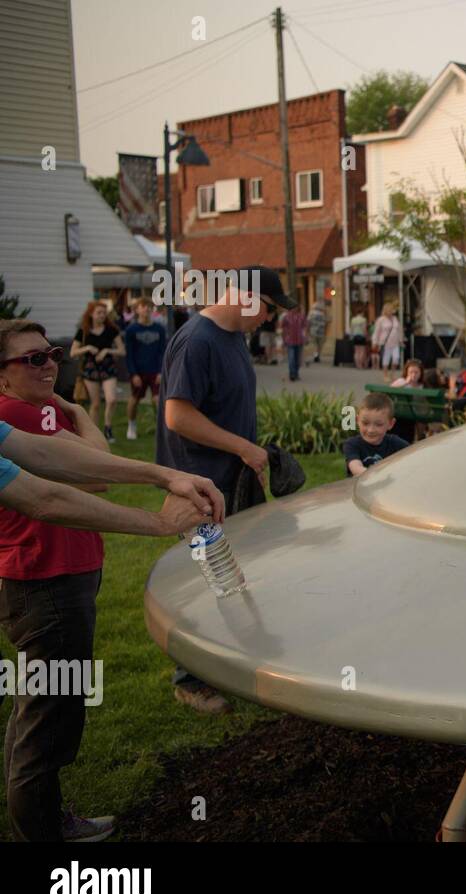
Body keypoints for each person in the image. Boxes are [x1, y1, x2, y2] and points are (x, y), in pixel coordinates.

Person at [0, 389, 221, 842]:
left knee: (38, 715)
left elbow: (41, 452)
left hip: (48, 584)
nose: (48, 366)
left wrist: (164, 476)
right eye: (33, 357)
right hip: (42, 585)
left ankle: (41, 822)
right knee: (45, 724)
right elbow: (43, 497)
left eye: (52, 354)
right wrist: (158, 522)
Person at [156, 265, 294, 715]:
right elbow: (177, 416)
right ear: (246, 296)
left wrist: (251, 455)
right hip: (197, 483)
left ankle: (227, 663)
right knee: (204, 582)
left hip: (228, 482)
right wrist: (241, 447)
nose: (270, 320)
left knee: (233, 579)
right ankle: (189, 680)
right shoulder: (198, 340)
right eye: (270, 309)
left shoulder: (233, 339)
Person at [71, 301, 125, 443]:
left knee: (111, 399)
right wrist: (87, 348)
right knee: (95, 404)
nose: (102, 315)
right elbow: (73, 352)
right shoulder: (83, 331)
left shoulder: (111, 329)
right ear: (91, 314)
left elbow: (121, 350)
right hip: (91, 368)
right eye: (98, 312)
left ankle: (108, 427)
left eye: (104, 312)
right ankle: (93, 433)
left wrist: (107, 350)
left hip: (108, 367)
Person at [122, 299, 167, 441]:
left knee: (158, 400)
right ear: (137, 310)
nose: (147, 309)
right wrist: (133, 373)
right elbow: (129, 354)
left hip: (155, 371)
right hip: (138, 372)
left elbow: (162, 351)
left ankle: (162, 429)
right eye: (143, 307)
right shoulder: (131, 330)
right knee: (134, 400)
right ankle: (131, 425)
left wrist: (161, 371)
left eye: (149, 307)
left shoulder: (159, 329)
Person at [343, 393, 410, 477]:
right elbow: (356, 468)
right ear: (357, 420)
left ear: (390, 424)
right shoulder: (352, 444)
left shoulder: (395, 443)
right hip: (360, 489)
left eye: (378, 424)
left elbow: (415, 455)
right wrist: (380, 476)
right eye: (365, 423)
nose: (371, 430)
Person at [372, 302, 403, 382]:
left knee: (396, 358)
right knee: (386, 359)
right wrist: (375, 342)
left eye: (392, 310)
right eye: (389, 310)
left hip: (395, 342)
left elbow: (399, 330)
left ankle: (393, 374)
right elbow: (377, 332)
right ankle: (385, 375)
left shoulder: (395, 319)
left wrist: (401, 340)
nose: (391, 311)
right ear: (385, 310)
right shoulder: (381, 320)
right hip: (385, 343)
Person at [279, 301, 308, 382]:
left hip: (299, 340)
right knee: (291, 358)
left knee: (298, 359)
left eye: (296, 307)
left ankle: (296, 373)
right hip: (289, 340)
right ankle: (292, 374)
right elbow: (282, 328)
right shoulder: (286, 317)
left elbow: (305, 327)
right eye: (293, 307)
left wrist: (306, 337)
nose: (294, 309)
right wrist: (283, 339)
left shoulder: (301, 316)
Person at [307, 298, 329, 364]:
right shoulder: (323, 314)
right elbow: (327, 322)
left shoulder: (311, 313)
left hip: (313, 331)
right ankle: (318, 355)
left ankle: (315, 355)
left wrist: (307, 330)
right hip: (321, 331)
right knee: (320, 345)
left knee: (314, 344)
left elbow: (308, 322)